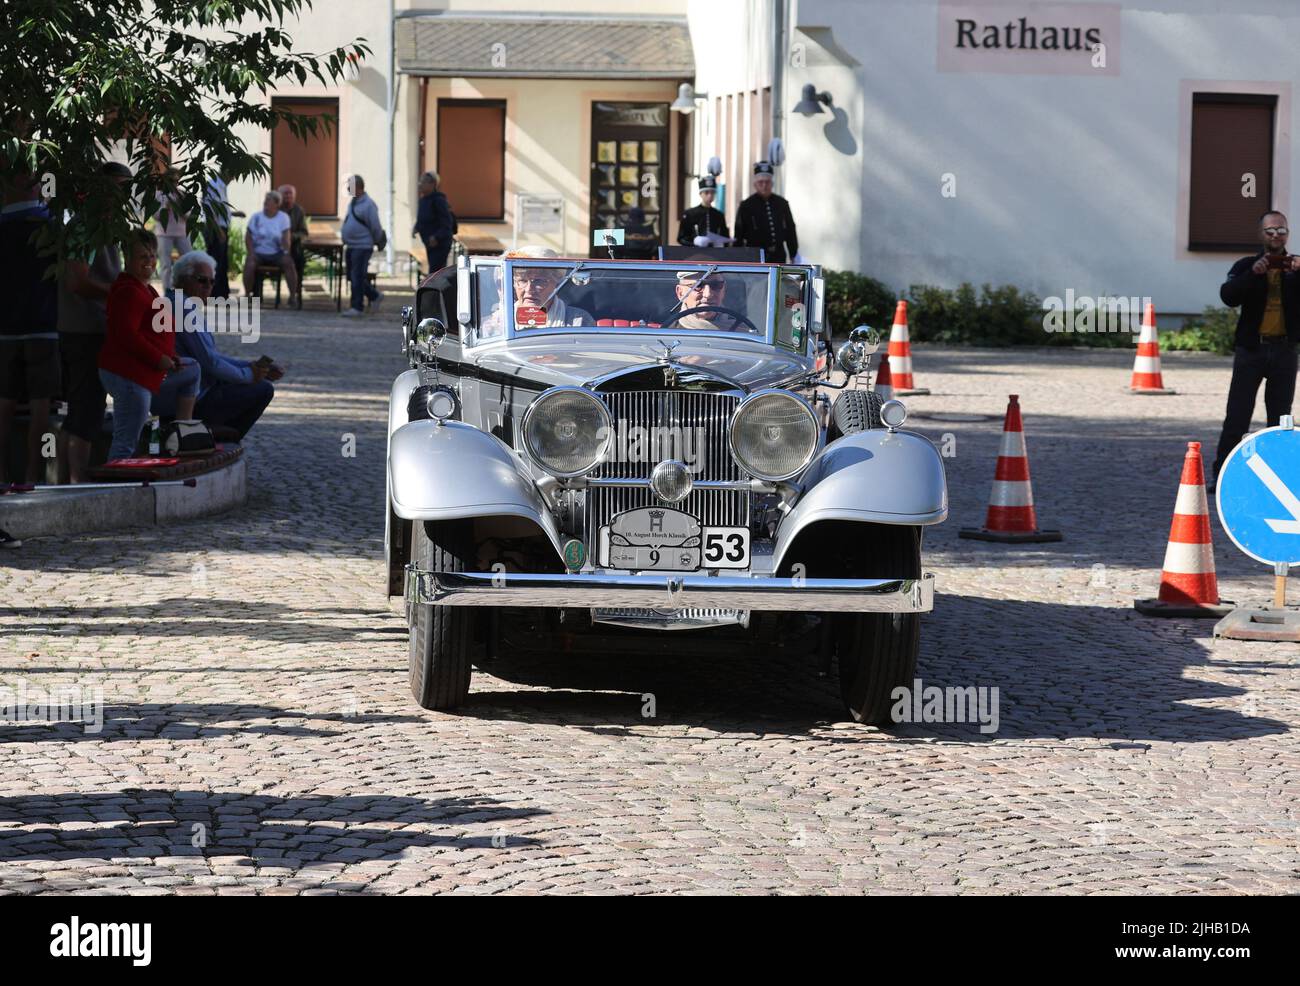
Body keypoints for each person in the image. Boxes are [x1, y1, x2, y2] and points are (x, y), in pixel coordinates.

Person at [1210, 209, 1300, 489]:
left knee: (1280, 418)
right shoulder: (1246, 264)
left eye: (1281, 230)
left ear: (1288, 233)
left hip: (1285, 351)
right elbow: (1228, 296)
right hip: (1252, 350)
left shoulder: (1295, 266)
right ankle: (1222, 476)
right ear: (1260, 234)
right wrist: (1253, 274)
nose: (1276, 235)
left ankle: (1279, 479)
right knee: (1237, 415)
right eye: (1270, 230)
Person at [58, 161, 132, 484]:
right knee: (84, 411)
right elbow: (77, 281)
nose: (123, 197)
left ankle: (70, 480)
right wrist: (118, 291)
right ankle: (76, 482)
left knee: (87, 410)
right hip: (82, 329)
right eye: (118, 189)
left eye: (127, 190)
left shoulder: (105, 226)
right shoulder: (84, 227)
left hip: (94, 328)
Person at [98, 229, 199, 461]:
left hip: (147, 373)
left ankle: (181, 438)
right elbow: (127, 335)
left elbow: (152, 331)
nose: (150, 261)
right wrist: (158, 358)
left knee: (193, 370)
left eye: (152, 255)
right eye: (142, 256)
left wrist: (169, 355)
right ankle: (116, 489)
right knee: (125, 441)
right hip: (130, 376)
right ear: (128, 259)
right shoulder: (129, 291)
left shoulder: (147, 288)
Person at [172, 251, 279, 441]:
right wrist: (248, 375)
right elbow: (211, 362)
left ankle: (216, 436)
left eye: (212, 282)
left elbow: (212, 357)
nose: (208, 287)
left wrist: (248, 366)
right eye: (201, 280)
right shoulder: (183, 308)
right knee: (263, 389)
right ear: (182, 280)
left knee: (254, 383)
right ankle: (213, 438)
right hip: (190, 398)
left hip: (192, 389)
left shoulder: (182, 303)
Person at [0, 173, 60, 484]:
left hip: (5, 324)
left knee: (4, 400)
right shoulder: (49, 224)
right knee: (41, 404)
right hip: (43, 322)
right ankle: (32, 473)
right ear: (35, 186)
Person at [481, 247, 593, 336]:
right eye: (523, 281)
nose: (529, 289)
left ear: (556, 283)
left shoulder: (577, 322)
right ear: (514, 284)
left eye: (539, 281)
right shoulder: (495, 323)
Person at [242, 189, 300, 307]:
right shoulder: (256, 217)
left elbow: (286, 237)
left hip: (276, 252)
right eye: (265, 200)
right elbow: (248, 236)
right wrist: (251, 252)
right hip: (259, 252)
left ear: (277, 204)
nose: (265, 203)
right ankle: (247, 295)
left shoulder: (283, 218)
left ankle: (292, 297)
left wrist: (286, 252)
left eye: (268, 200)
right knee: (249, 264)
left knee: (289, 264)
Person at [733, 161, 798, 263]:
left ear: (772, 183)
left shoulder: (782, 203)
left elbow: (790, 229)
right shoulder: (746, 205)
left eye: (767, 182)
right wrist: (738, 258)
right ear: (755, 184)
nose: (764, 185)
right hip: (755, 257)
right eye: (760, 182)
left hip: (778, 256)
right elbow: (739, 234)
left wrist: (793, 253)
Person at [340, 174, 385, 316]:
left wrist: (378, 241)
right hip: (352, 245)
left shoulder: (368, 204)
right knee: (352, 276)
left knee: (357, 276)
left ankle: (357, 307)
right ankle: (374, 295)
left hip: (362, 246)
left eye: (350, 185)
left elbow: (375, 227)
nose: (347, 188)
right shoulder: (353, 203)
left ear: (359, 187)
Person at [154, 176, 193, 294]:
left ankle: (187, 288)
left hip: (181, 232)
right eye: (172, 180)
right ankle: (167, 291)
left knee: (188, 260)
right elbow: (156, 216)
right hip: (164, 233)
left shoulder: (182, 195)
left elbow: (189, 216)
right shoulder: (159, 195)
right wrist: (166, 207)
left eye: (177, 181)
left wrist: (180, 209)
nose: (175, 183)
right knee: (165, 264)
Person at [669, 271, 742, 330]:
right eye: (697, 286)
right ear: (681, 293)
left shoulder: (744, 332)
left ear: (724, 290)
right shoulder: (668, 336)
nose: (708, 294)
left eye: (716, 285)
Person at [413, 171, 453, 274]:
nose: (420, 184)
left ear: (432, 184)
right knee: (435, 272)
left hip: (440, 244)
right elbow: (422, 218)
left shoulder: (439, 200)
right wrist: (416, 227)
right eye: (420, 181)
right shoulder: (423, 200)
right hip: (429, 243)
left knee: (435, 273)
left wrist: (436, 237)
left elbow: (447, 224)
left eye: (423, 182)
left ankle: (436, 290)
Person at [203, 173, 235, 298]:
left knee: (222, 263)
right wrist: (218, 230)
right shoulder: (213, 185)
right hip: (215, 228)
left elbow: (221, 209)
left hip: (221, 227)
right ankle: (215, 294)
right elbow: (210, 210)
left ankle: (222, 294)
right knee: (216, 262)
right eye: (233, 176)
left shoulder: (222, 186)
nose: (233, 179)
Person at [677, 174, 730, 247]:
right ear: (700, 194)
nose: (710, 195)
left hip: (715, 255)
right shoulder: (690, 214)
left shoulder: (719, 215)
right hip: (694, 254)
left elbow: (725, 237)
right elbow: (681, 238)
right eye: (706, 192)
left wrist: (721, 243)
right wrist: (694, 241)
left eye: (712, 192)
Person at [278, 183, 308, 287]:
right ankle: (255, 294)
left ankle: (296, 290)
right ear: (280, 196)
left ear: (294, 196)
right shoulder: (275, 210)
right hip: (276, 245)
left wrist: (292, 236)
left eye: (290, 193)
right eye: (285, 194)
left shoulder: (298, 210)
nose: (288, 196)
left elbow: (304, 232)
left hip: (293, 246)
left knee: (300, 259)